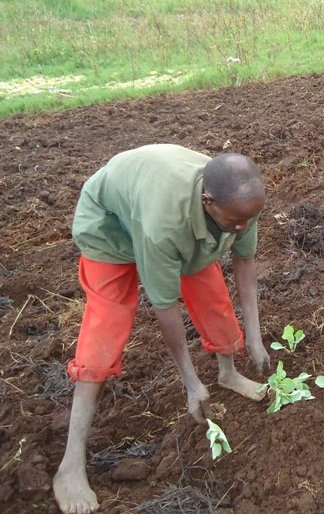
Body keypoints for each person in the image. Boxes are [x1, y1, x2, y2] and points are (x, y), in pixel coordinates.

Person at [53, 144, 270, 514]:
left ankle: (227, 374)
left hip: (172, 212)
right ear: (207, 201)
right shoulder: (163, 226)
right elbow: (165, 306)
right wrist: (189, 383)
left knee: (212, 294)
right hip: (110, 227)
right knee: (105, 329)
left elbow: (244, 260)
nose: (242, 227)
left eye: (248, 220)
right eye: (235, 222)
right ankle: (70, 464)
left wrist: (255, 335)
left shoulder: (240, 201)